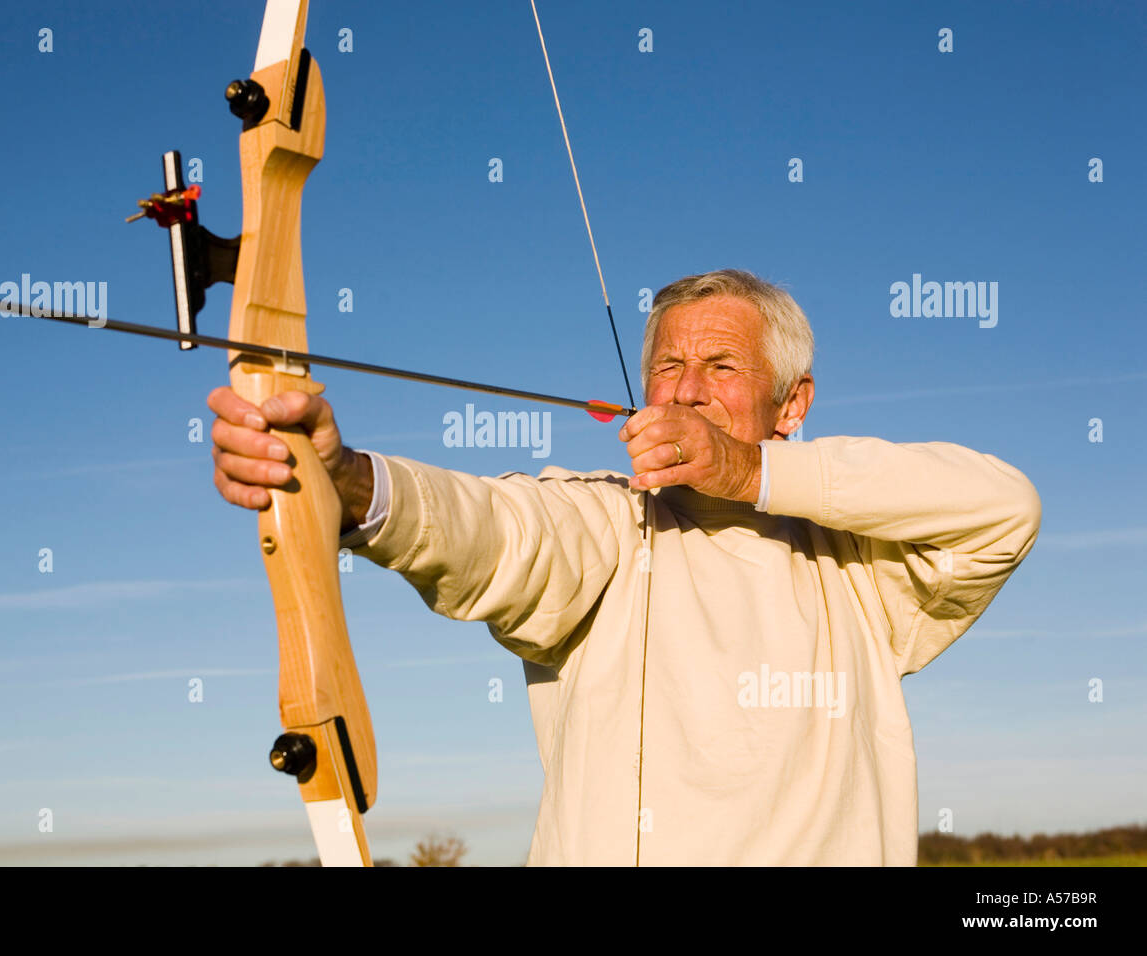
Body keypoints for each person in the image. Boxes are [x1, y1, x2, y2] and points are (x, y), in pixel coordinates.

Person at [208, 269, 1041, 865]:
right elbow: (497, 532)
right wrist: (348, 482)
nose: (685, 392)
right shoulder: (605, 520)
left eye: (722, 367)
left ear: (793, 404)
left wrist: (752, 475)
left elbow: (1005, 508)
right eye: (667, 367)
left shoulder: (861, 566)